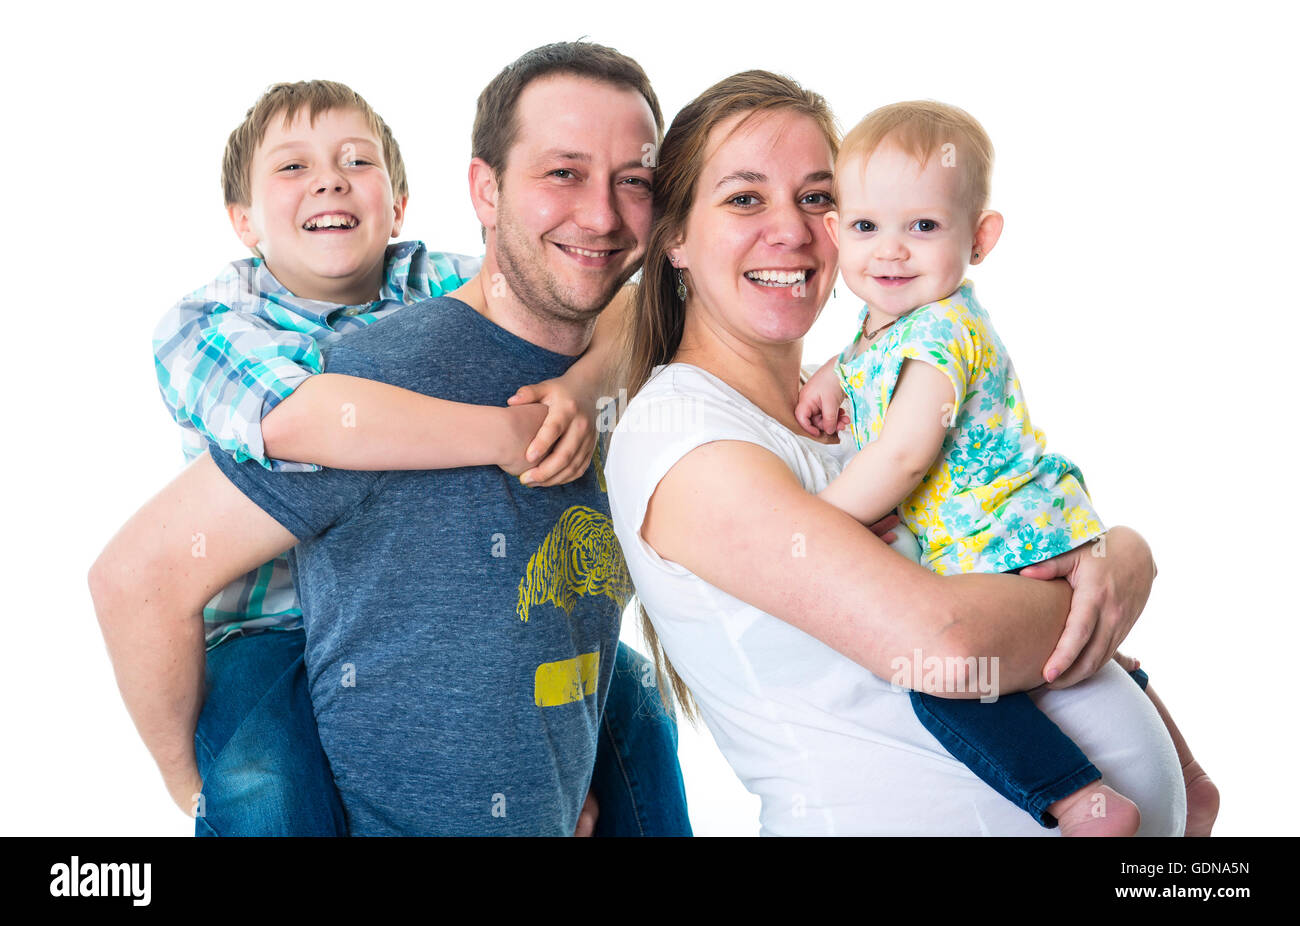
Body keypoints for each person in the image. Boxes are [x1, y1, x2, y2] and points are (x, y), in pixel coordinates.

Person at [90, 42, 688, 835]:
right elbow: (297, 419)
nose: (330, 181)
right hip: (265, 627)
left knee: (638, 704)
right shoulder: (221, 326)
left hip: (388, 616)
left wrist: (583, 388)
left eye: (356, 161)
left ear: (400, 205)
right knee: (263, 781)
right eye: (293, 167)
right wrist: (504, 433)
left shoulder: (436, 284)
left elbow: (618, 299)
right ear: (243, 221)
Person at [604, 70, 1186, 835]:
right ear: (675, 236)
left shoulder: (864, 396)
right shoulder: (680, 434)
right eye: (745, 198)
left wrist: (1120, 552)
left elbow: (990, 527)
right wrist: (1112, 581)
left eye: (817, 197)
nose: (791, 229)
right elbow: (947, 649)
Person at [791, 100, 1218, 836]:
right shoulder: (895, 322)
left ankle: (1081, 804)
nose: (891, 251)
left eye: (923, 226)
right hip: (1028, 525)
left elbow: (903, 454)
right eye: (866, 227)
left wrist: (816, 522)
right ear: (836, 232)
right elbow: (871, 355)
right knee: (1078, 653)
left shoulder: (941, 333)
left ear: (980, 238)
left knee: (941, 683)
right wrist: (834, 371)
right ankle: (1192, 778)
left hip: (999, 538)